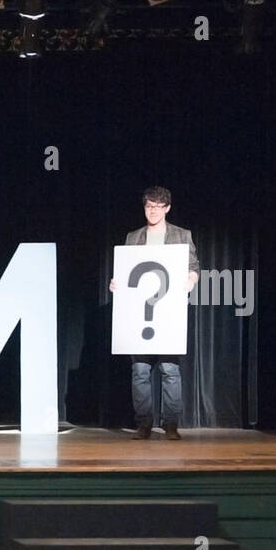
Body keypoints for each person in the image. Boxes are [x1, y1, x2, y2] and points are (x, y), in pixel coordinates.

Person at [109, 186, 199, 440]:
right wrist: (118, 284)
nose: (153, 211)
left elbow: (194, 267)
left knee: (170, 370)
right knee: (139, 371)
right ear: (144, 208)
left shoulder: (182, 235)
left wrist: (190, 280)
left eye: (158, 207)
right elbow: (128, 272)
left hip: (169, 311)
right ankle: (144, 424)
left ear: (167, 208)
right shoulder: (133, 237)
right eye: (149, 206)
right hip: (139, 313)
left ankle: (171, 425)